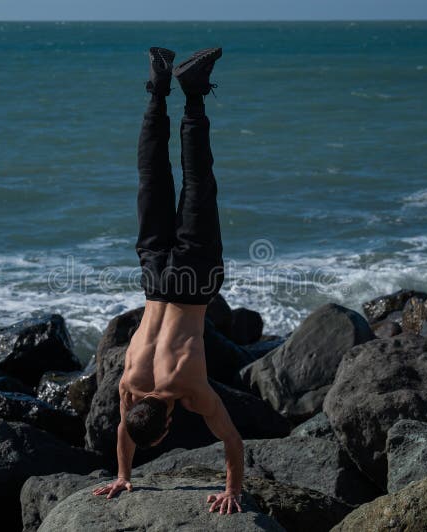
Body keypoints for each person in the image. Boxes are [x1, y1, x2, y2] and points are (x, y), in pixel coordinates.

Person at [91, 47, 244, 515]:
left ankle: (193, 93)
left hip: (195, 279)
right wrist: (122, 473)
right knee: (152, 179)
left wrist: (233, 491)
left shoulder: (190, 389)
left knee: (198, 182)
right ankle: (157, 89)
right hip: (154, 276)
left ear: (167, 422)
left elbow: (233, 444)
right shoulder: (129, 385)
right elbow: (124, 429)